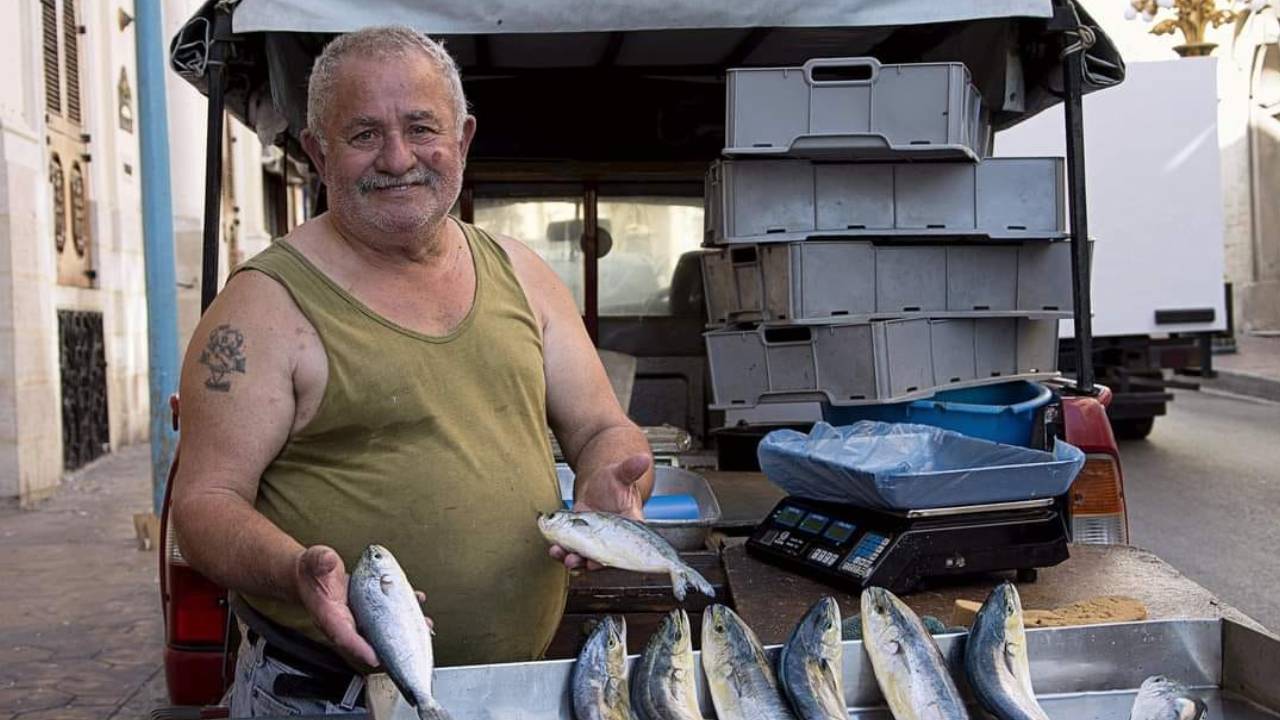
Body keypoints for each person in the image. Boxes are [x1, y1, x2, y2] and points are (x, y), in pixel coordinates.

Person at [170, 25, 653, 716]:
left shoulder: (522, 274)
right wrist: (295, 571)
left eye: (422, 128)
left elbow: (604, 425)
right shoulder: (260, 309)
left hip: (513, 692)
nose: (398, 158)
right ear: (317, 151)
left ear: (462, 138)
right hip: (330, 698)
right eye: (364, 134)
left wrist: (614, 471)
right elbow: (204, 505)